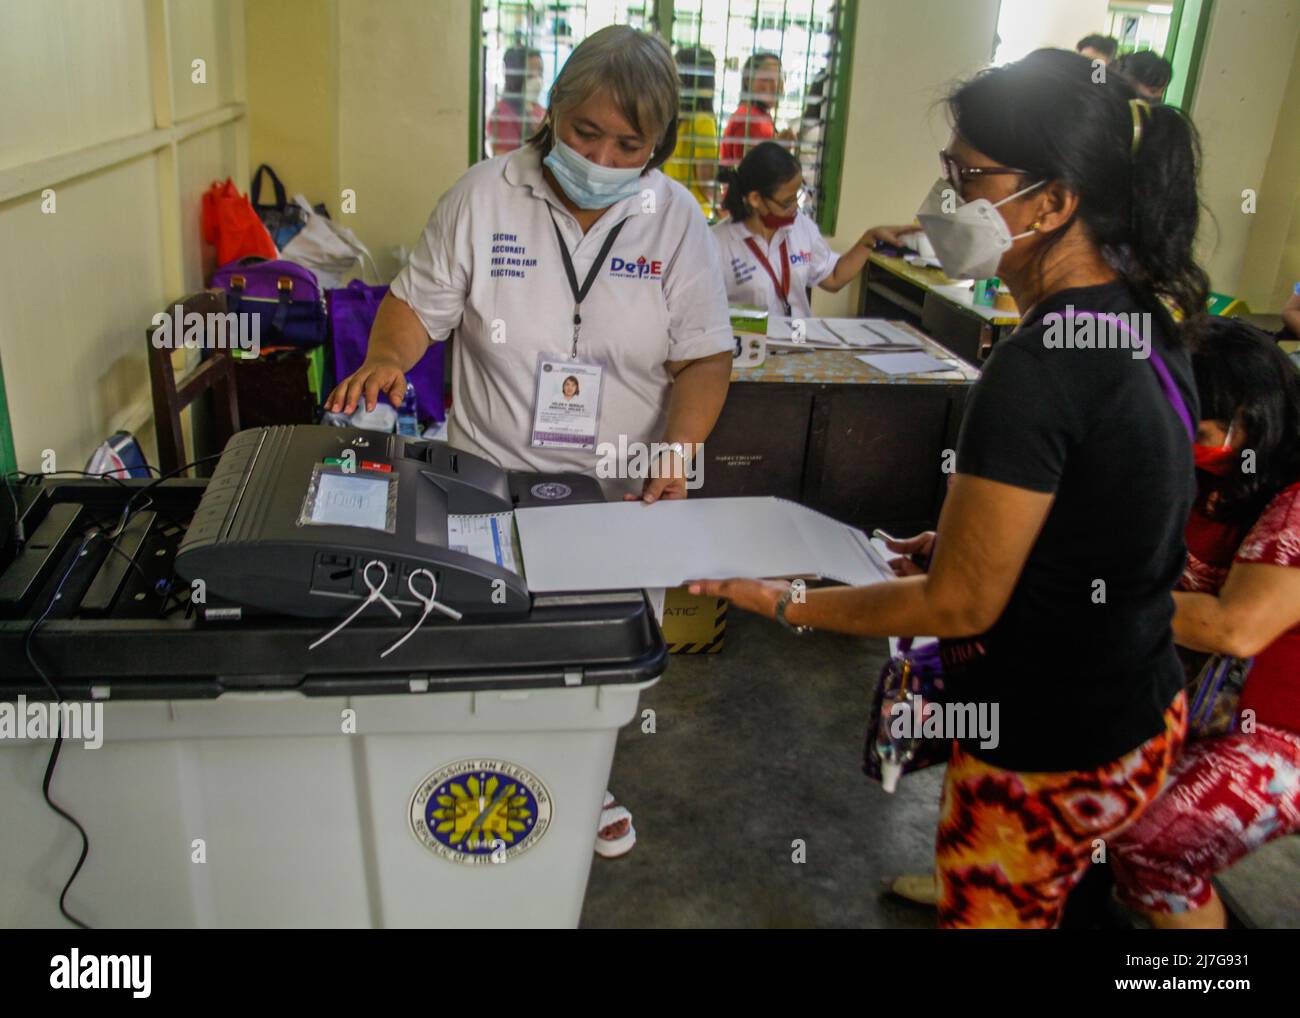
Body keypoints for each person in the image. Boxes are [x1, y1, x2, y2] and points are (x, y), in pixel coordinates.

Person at [690, 48, 1210, 928]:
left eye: (969, 177)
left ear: (1051, 203)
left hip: (1047, 741)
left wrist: (788, 605)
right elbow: (1111, 503)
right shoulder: (1143, 321)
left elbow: (961, 605)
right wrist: (964, 539)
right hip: (1140, 709)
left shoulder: (1036, 367)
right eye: (947, 171)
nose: (946, 201)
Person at [325, 25, 735, 857]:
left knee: (598, 657)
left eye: (631, 144)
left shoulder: (677, 219)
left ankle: (587, 778)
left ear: (658, 147)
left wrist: (681, 447)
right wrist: (384, 359)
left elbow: (703, 355)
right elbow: (418, 306)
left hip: (620, 487)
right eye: (587, 133)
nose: (605, 158)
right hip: (491, 475)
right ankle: (483, 768)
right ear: (551, 112)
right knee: (491, 640)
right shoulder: (486, 195)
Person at [1108, 317, 1300, 929]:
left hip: (1278, 728)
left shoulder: (1293, 500)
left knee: (1152, 846)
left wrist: (1091, 599)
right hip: (1191, 688)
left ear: (1254, 414)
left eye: (1201, 423)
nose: (1182, 432)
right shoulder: (1211, 470)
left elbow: (1232, 628)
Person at [710, 140, 918, 319]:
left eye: (797, 198)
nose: (795, 209)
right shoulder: (717, 243)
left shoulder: (801, 227)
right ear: (755, 199)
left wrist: (868, 240)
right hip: (750, 351)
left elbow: (834, 277)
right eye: (786, 202)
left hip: (798, 339)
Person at [663, 46, 719, 217]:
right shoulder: (703, 121)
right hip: (693, 214)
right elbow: (706, 183)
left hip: (668, 210)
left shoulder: (670, 118)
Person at [720, 52, 789, 167]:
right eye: (766, 79)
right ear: (748, 80)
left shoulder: (759, 115)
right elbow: (751, 173)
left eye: (780, 78)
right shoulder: (750, 119)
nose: (775, 85)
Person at [487, 47, 546, 156]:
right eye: (530, 74)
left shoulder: (541, 110)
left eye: (540, 72)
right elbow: (505, 163)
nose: (537, 79)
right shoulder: (501, 115)